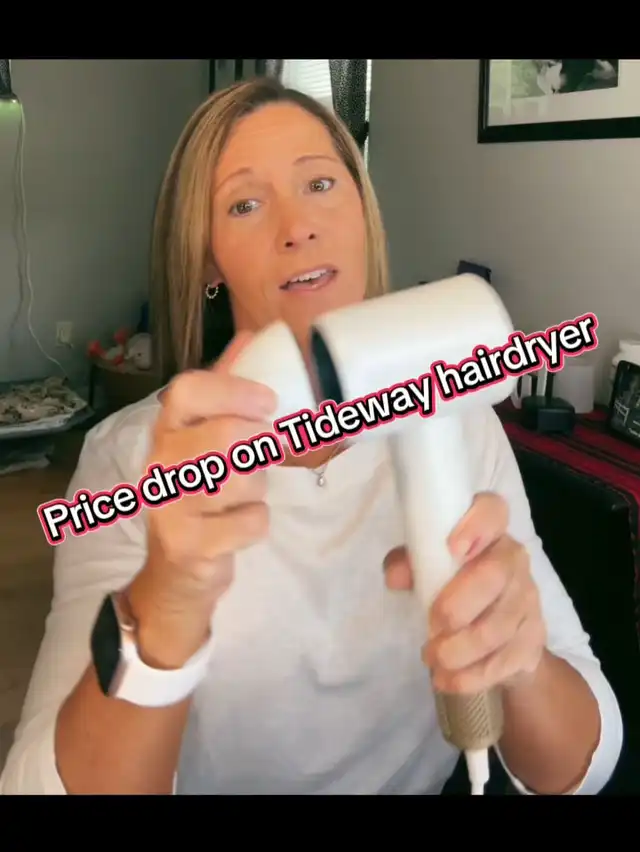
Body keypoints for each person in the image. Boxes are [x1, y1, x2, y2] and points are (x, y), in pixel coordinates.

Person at [0, 76, 622, 795]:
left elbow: (585, 764)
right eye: (245, 204)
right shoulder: (128, 460)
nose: (297, 227)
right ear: (207, 257)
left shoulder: (459, 421)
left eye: (321, 184)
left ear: (363, 212)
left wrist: (520, 663)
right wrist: (166, 601)